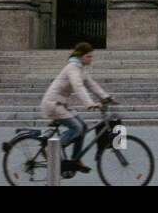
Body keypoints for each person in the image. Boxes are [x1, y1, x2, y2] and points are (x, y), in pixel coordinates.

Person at [40, 42, 115, 175]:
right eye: (89, 57)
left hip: (62, 104)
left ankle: (76, 159)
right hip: (53, 104)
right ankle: (50, 149)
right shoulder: (72, 68)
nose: (91, 59)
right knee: (77, 127)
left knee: (83, 127)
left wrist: (106, 97)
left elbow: (91, 84)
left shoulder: (80, 69)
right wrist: (90, 103)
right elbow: (78, 86)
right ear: (81, 56)